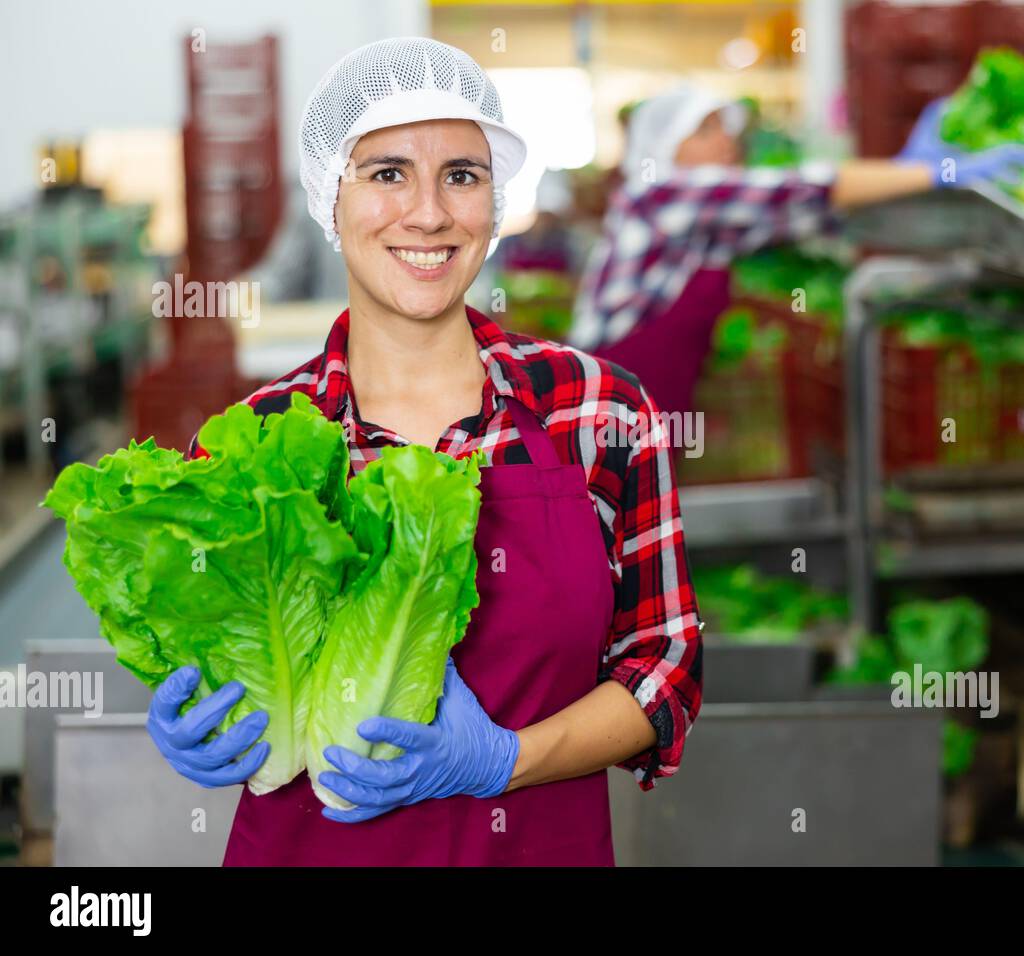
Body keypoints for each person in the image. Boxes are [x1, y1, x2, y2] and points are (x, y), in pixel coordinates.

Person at [143, 37, 702, 866]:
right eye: (388, 173)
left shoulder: (598, 410)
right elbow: (219, 674)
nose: (430, 214)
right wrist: (192, 719)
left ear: (496, 202)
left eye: (463, 176)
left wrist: (505, 762)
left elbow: (667, 669)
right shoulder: (250, 446)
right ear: (328, 197)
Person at [568, 86, 1024, 420]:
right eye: (707, 129)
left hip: (644, 404)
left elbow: (796, 216)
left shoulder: (700, 218)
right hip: (602, 405)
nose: (727, 140)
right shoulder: (662, 193)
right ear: (666, 144)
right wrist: (925, 171)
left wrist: (905, 179)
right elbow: (797, 189)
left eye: (726, 128)